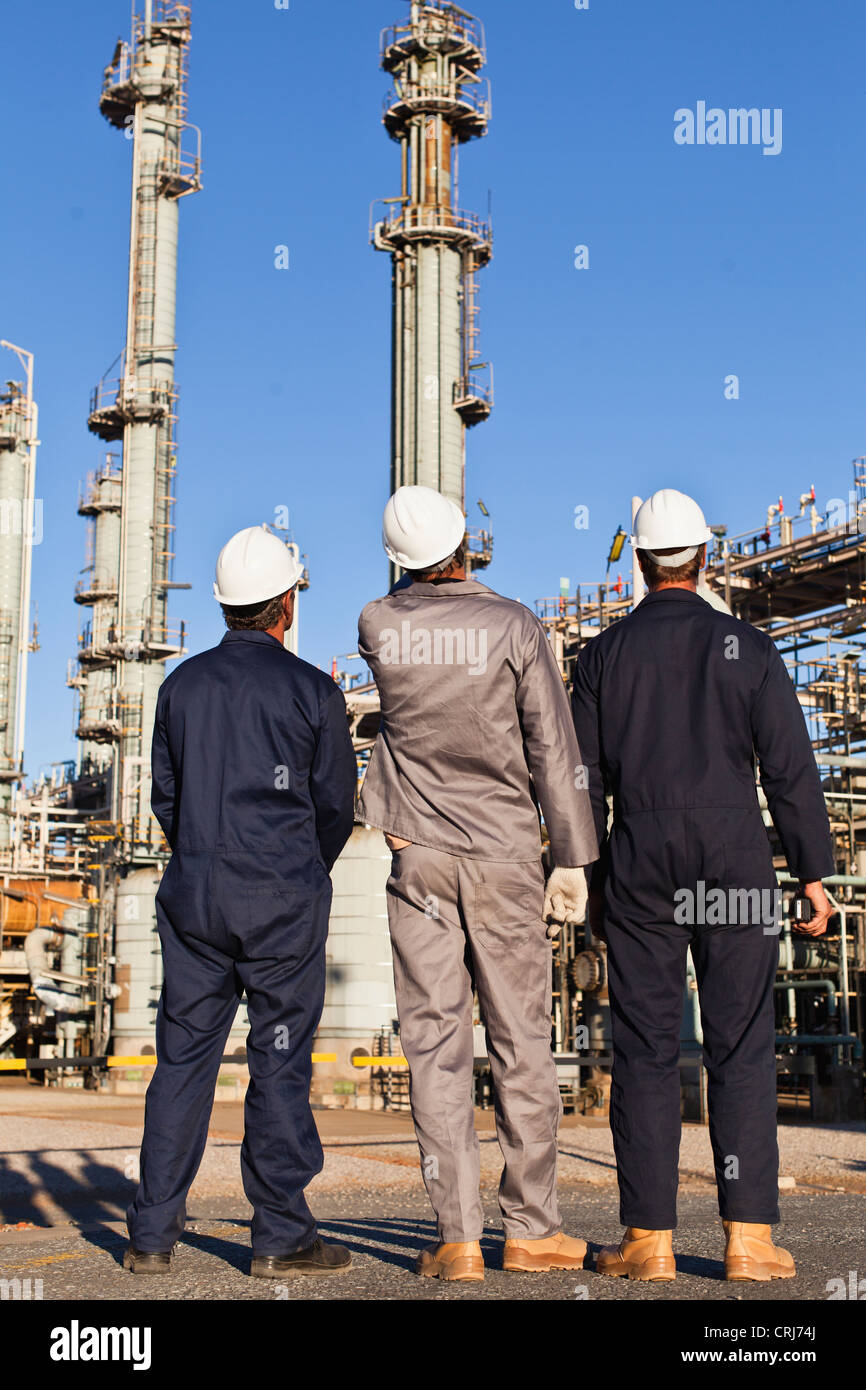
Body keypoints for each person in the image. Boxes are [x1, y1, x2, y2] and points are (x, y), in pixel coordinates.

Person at [571, 488, 834, 1283]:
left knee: (647, 1048)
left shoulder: (601, 657)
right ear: (704, 560)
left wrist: (587, 880)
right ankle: (748, 1241)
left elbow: (582, 783)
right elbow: (789, 770)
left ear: (642, 566)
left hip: (642, 861)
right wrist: (813, 873)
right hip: (734, 863)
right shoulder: (748, 649)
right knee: (743, 1044)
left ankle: (648, 1241)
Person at [358, 485, 598, 1282]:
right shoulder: (515, 626)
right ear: (468, 543)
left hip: (419, 853)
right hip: (501, 855)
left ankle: (457, 1237)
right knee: (521, 1040)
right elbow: (552, 749)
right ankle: (531, 1228)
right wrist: (570, 855)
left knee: (432, 1038)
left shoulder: (377, 625)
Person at [125, 525, 356, 1279]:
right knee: (278, 1059)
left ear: (227, 606)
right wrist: (297, 870)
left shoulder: (181, 687)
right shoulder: (314, 691)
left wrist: (201, 852)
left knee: (182, 1062)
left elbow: (167, 795)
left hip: (195, 898)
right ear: (287, 601)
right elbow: (334, 808)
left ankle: (152, 1234)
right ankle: (281, 1236)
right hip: (282, 899)